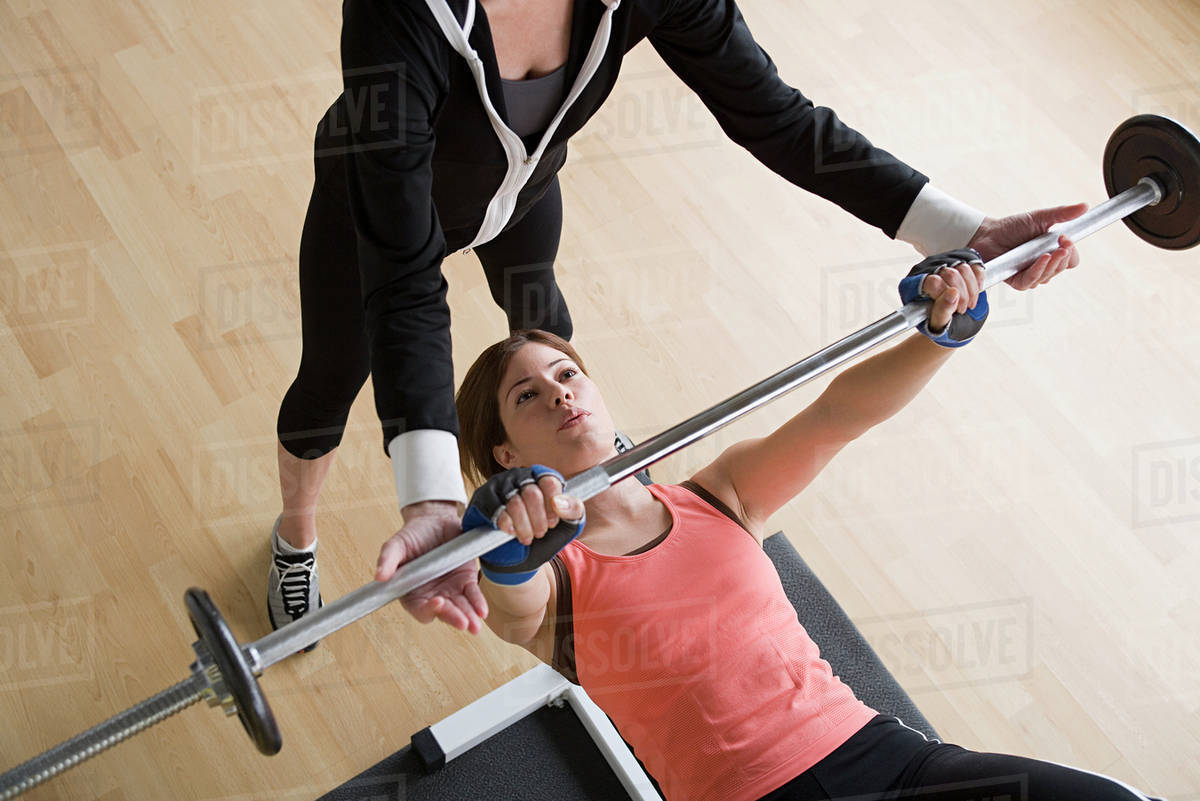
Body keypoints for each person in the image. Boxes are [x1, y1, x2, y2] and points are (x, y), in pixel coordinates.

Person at [267, 0, 1088, 641]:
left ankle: (594, 492)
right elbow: (408, 280)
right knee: (332, 380)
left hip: (521, 194)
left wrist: (962, 233)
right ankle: (294, 536)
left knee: (546, 329)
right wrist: (434, 501)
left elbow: (775, 113)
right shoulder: (398, 12)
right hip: (372, 210)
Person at [442, 249, 1163, 801]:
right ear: (506, 451)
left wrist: (937, 334)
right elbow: (514, 603)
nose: (560, 394)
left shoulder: (720, 494)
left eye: (567, 373)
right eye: (528, 395)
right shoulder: (550, 574)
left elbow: (836, 417)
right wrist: (506, 544)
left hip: (880, 756)